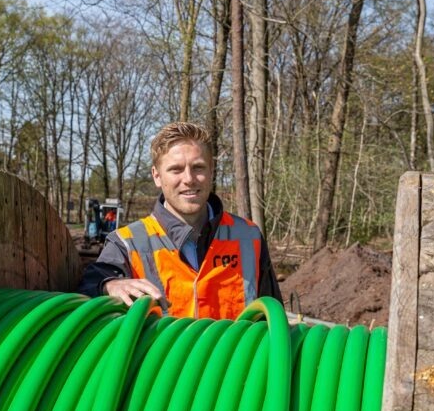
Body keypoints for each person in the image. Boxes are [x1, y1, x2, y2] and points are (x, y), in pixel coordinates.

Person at [78, 121, 282, 319]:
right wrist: (109, 285)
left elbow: (271, 319)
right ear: (157, 176)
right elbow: (89, 288)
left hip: (239, 355)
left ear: (211, 171)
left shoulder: (248, 237)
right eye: (176, 169)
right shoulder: (126, 243)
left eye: (198, 167)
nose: (189, 179)